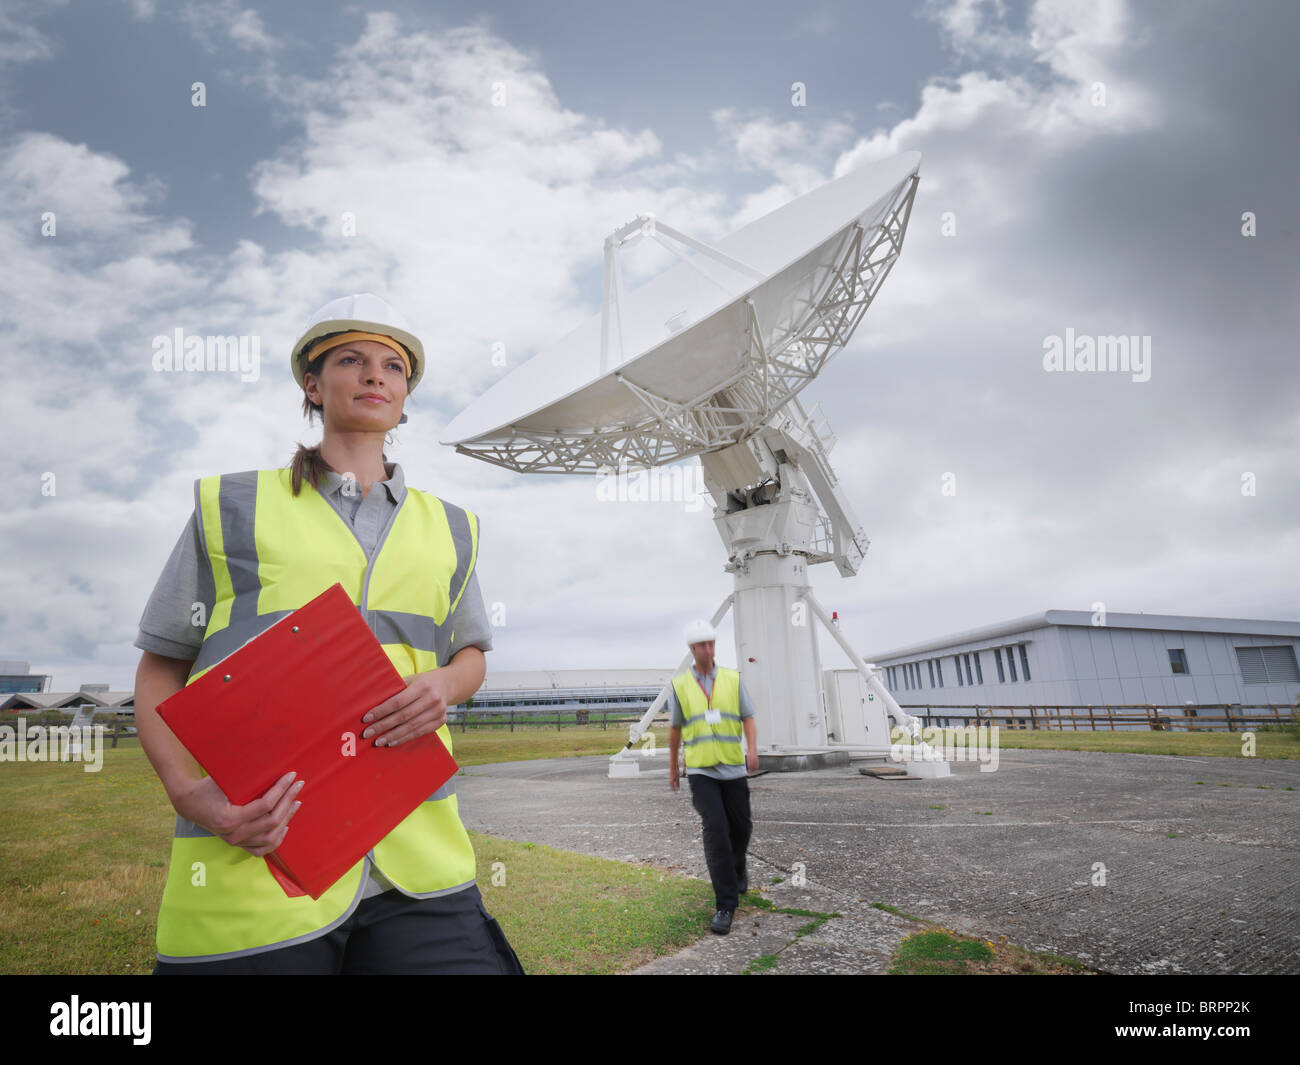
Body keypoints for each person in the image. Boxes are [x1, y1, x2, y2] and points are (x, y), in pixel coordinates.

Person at [133, 292, 524, 974]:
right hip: (258, 866)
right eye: (352, 359)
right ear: (313, 385)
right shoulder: (232, 508)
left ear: (405, 396)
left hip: (420, 868)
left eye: (393, 366)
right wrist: (189, 792)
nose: (376, 375)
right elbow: (161, 667)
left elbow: (469, 653)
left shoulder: (451, 528)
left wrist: (444, 686)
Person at [666, 619, 759, 935]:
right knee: (716, 830)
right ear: (692, 650)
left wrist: (753, 749)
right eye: (702, 645)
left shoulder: (733, 679)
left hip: (733, 767)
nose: (708, 649)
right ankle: (725, 904)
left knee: (742, 826)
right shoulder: (680, 686)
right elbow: (675, 729)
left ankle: (738, 866)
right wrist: (672, 767)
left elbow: (748, 717)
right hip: (701, 770)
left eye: (712, 643)